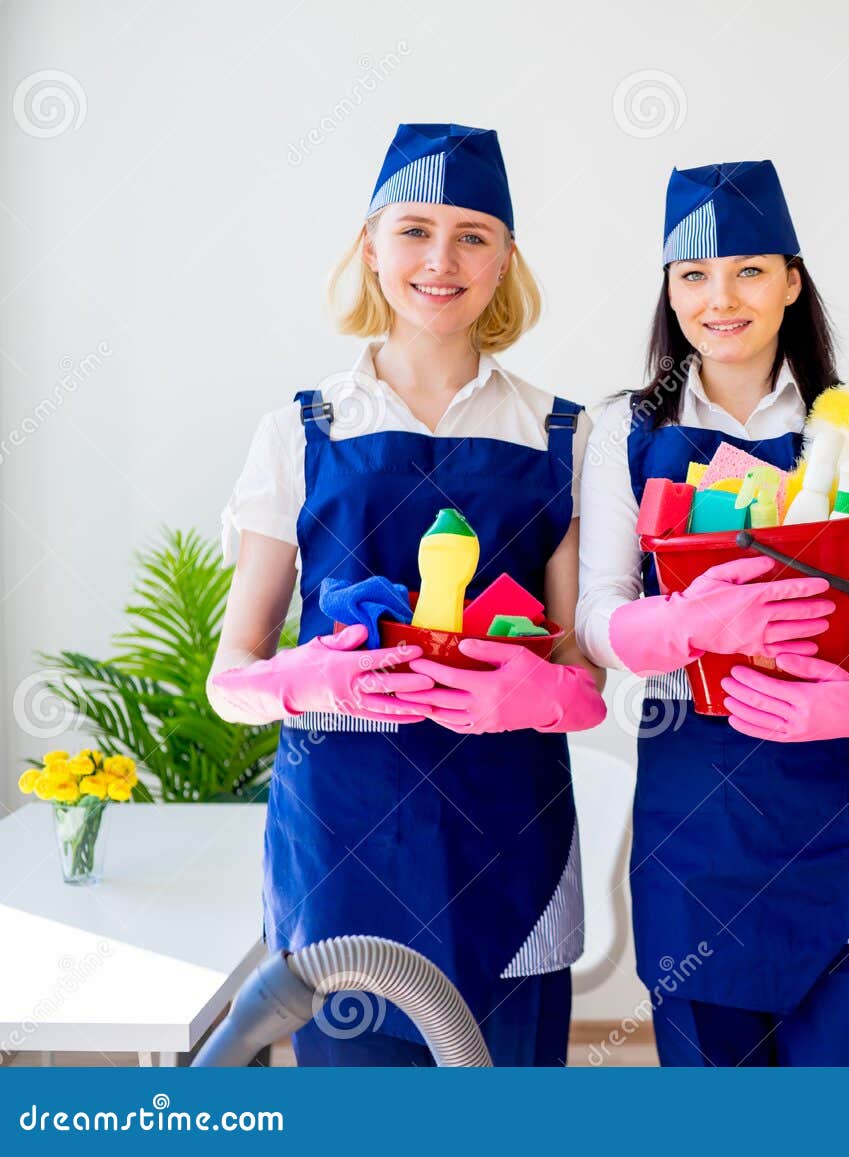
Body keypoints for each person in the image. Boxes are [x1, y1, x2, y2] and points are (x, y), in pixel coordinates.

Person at [208, 123, 604, 1066]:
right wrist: (310, 679)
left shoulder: (562, 435)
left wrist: (540, 692)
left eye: (473, 235)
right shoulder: (300, 432)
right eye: (415, 230)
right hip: (340, 853)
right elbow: (232, 676)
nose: (441, 260)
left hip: (511, 848)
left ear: (505, 259)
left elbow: (584, 675)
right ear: (371, 247)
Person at [576, 160, 849, 1066]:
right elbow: (596, 616)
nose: (721, 298)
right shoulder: (624, 430)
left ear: (790, 280)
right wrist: (689, 627)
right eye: (694, 275)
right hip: (699, 832)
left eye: (748, 270)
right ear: (670, 291)